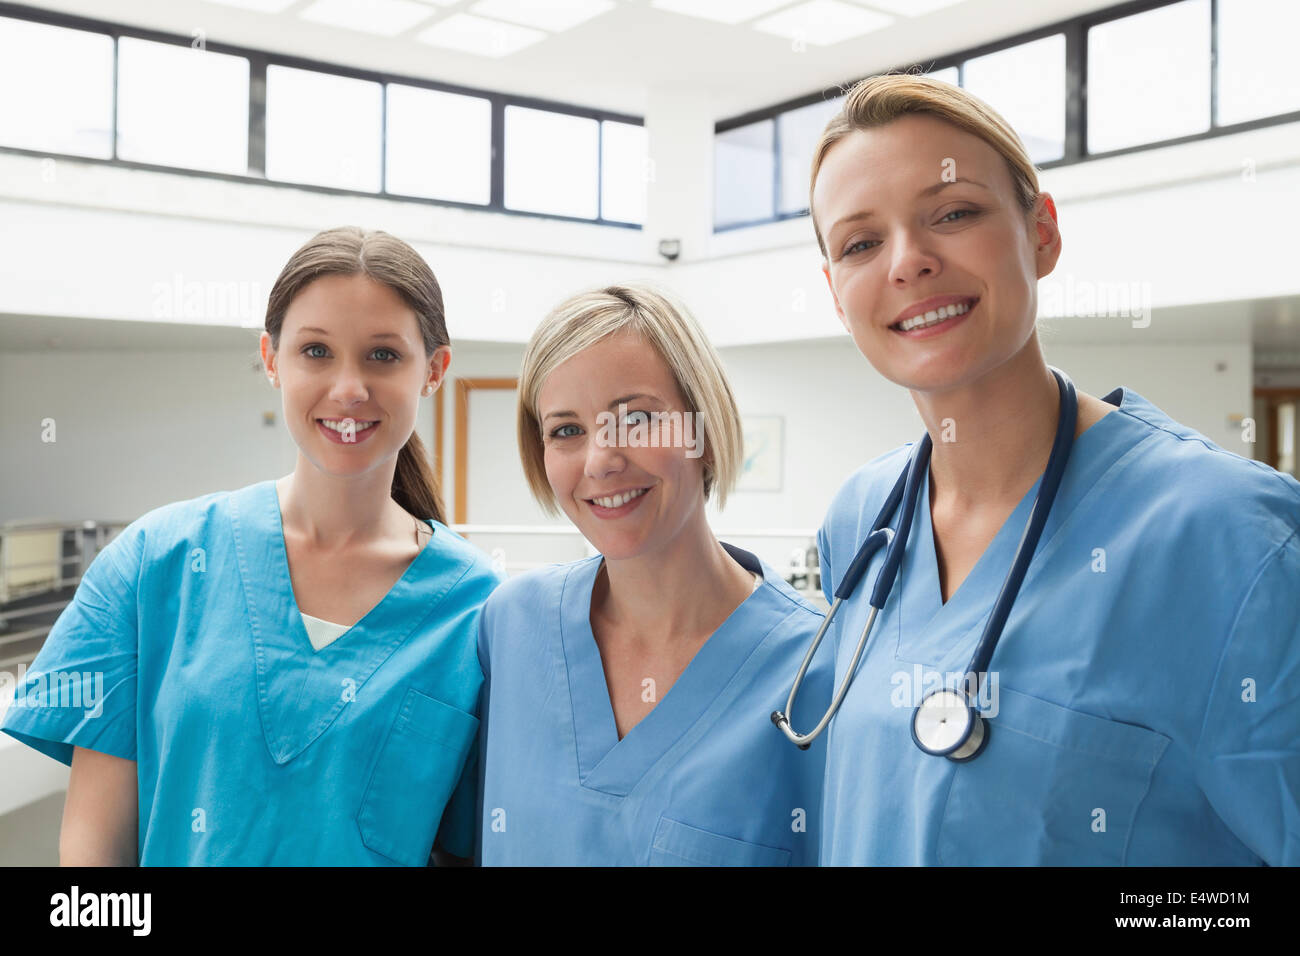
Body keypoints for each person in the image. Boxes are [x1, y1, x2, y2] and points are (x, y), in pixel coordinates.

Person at [806, 73, 1300, 865]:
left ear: (1042, 232)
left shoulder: (1229, 536)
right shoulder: (863, 518)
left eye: (954, 213)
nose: (909, 262)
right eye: (860, 243)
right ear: (836, 292)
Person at [2, 226, 499, 866]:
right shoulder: (153, 565)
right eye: (316, 351)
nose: (349, 388)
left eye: (383, 355)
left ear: (434, 370)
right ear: (271, 360)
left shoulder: (481, 613)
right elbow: (93, 865)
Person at [475, 284, 832, 865]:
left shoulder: (817, 669)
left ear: (704, 431)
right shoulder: (512, 626)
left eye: (637, 419)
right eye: (566, 430)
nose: (600, 460)